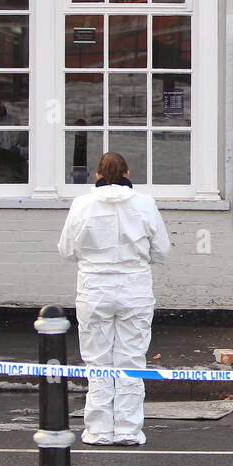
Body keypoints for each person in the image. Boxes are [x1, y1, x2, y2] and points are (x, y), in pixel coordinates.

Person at [57, 152, 170, 446]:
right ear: (127, 173)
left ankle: (97, 430)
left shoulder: (82, 204)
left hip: (94, 288)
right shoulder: (144, 203)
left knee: (97, 361)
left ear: (97, 175)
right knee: (131, 360)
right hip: (134, 288)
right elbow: (161, 250)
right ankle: (129, 430)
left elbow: (67, 250)